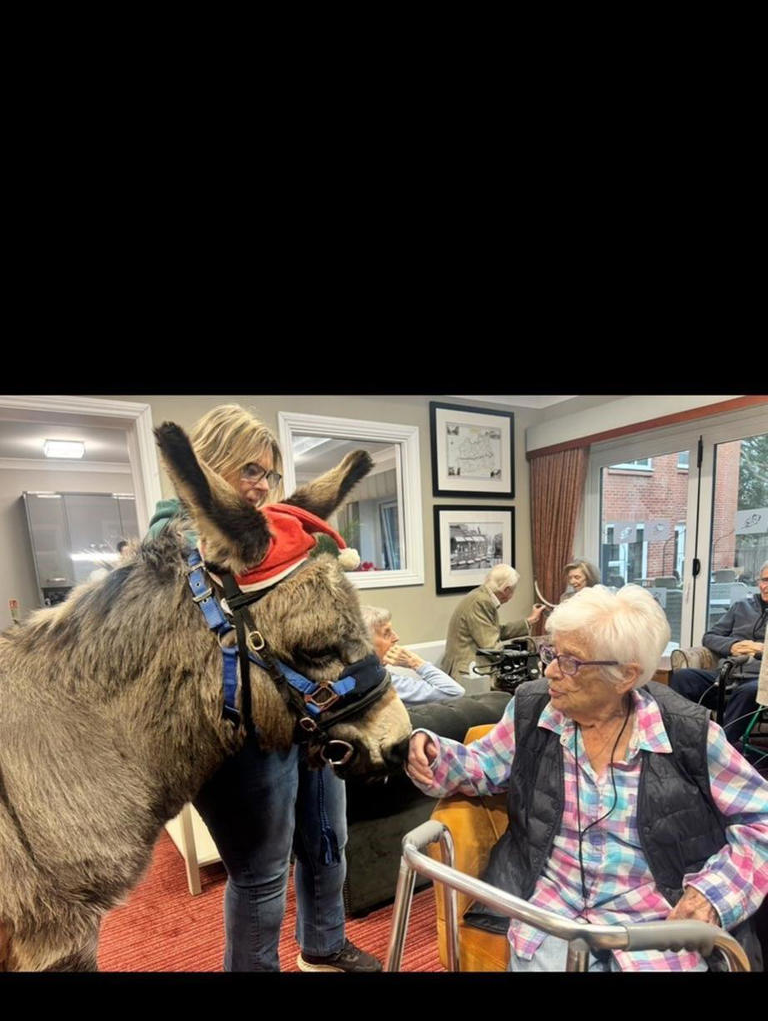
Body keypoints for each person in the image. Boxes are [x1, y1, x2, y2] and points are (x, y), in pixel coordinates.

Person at [406, 583, 768, 971]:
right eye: (551, 653)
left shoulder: (689, 735)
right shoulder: (533, 709)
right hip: (551, 918)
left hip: (655, 928)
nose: (549, 671)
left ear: (625, 676)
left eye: (571, 661)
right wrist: (434, 753)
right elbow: (482, 765)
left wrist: (712, 895)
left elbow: (761, 822)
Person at [147, 403, 382, 973]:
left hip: (306, 711)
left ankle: (324, 944)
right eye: (249, 470)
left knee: (328, 838)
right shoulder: (171, 545)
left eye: (269, 474)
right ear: (211, 465)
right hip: (240, 735)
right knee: (260, 872)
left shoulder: (277, 532)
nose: (262, 486)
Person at [668, 563, 768, 747]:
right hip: (726, 675)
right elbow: (710, 637)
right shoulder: (741, 607)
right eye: (764, 580)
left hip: (760, 682)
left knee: (748, 691)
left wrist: (762, 648)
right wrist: (733, 645)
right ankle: (678, 740)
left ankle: (719, 750)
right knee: (684, 678)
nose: (766, 586)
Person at [440, 565, 545, 680]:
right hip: (468, 674)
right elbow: (492, 648)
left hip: (462, 668)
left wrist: (530, 620)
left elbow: (492, 631)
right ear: (507, 590)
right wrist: (524, 657)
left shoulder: (479, 595)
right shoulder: (481, 602)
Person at [361, 606, 465, 706]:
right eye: (387, 633)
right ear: (364, 643)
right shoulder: (381, 682)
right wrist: (415, 662)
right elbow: (454, 692)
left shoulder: (350, 679)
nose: (396, 637)